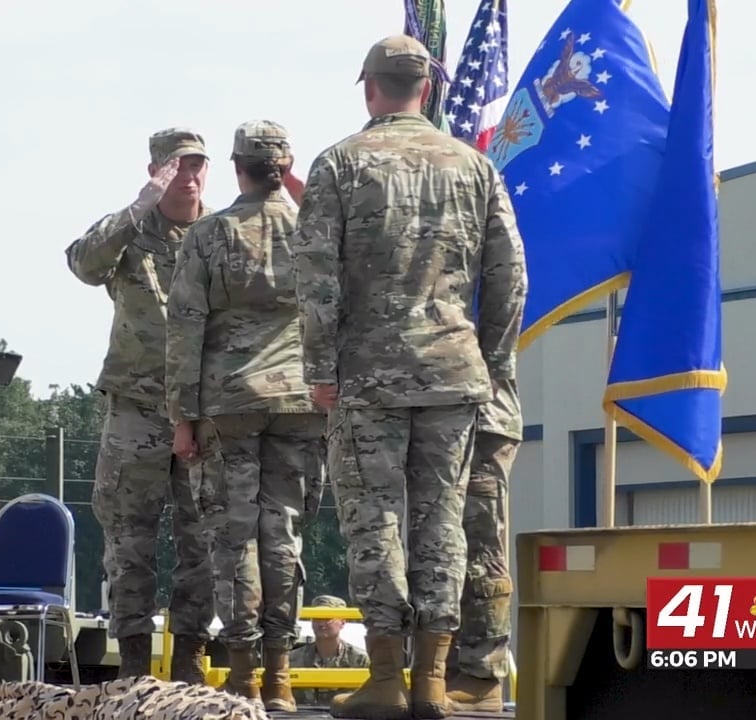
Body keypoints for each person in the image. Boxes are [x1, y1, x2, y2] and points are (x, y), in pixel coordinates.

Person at [290, 34, 527, 719]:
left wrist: (319, 369)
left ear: (370, 88)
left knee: (376, 524)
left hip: (367, 380)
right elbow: (510, 274)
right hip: (454, 374)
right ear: (427, 89)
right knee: (442, 523)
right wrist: (488, 357)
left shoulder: (338, 164)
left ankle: (387, 679)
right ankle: (433, 679)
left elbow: (316, 279)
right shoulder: (474, 166)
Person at [164, 120, 325, 709]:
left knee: (235, 541)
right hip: (300, 401)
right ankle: (281, 674)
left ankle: (243, 675)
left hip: (227, 402)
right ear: (285, 166)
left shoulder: (209, 234)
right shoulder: (313, 229)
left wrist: (180, 415)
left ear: (237, 167)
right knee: (282, 533)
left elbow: (184, 326)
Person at [64, 128, 216, 684]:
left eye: (198, 165)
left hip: (204, 408)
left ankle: (189, 657)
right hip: (137, 404)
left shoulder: (219, 231)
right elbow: (82, 264)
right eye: (178, 166)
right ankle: (132, 661)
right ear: (156, 171)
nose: (190, 176)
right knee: (130, 538)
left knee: (201, 537)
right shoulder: (130, 232)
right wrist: (138, 207)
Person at [446, 380, 519, 712]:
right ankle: (447, 671)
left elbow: (497, 351)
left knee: (481, 554)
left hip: (482, 419)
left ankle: (481, 677)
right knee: (441, 553)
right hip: (444, 419)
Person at [289, 595, 370, 708]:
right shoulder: (292, 659)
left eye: (328, 618)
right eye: (317, 618)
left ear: (342, 622)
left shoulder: (360, 660)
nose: (321, 624)